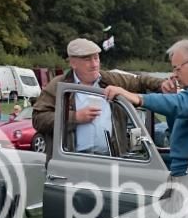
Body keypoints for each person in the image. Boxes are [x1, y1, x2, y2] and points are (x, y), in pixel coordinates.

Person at [32, 38, 172, 161]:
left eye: (96, 58)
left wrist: (162, 84)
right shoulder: (58, 86)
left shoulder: (110, 80)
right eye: (88, 60)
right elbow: (38, 119)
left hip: (111, 160)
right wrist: (75, 117)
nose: (94, 64)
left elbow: (139, 81)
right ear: (73, 63)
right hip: (73, 161)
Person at [104, 39, 188, 176]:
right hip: (187, 166)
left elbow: (184, 104)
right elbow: (177, 128)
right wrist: (171, 97)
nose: (174, 74)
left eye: (177, 68)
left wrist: (138, 98)